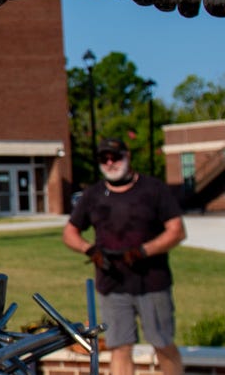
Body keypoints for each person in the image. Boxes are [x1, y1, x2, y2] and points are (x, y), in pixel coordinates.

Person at [63, 138, 186, 375]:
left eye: (115, 157)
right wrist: (90, 250)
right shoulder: (94, 194)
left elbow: (177, 231)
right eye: (104, 158)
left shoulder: (153, 189)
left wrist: (144, 251)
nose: (110, 162)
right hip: (112, 284)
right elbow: (70, 232)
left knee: (162, 344)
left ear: (127, 156)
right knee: (119, 347)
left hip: (152, 282)